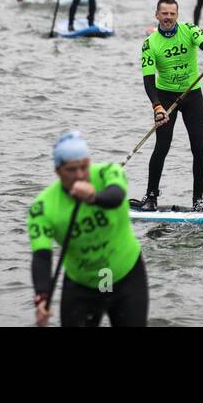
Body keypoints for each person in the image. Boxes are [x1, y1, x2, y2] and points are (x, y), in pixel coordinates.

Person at [28, 131, 148, 328]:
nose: (80, 175)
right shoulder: (42, 207)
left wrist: (94, 197)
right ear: (58, 171)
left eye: (84, 167)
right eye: (72, 170)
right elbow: (41, 255)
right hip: (82, 285)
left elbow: (116, 196)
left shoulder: (107, 173)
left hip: (126, 277)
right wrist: (42, 296)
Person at [139, 0, 203, 212]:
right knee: (162, 146)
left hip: (192, 95)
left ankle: (198, 201)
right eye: (164, 14)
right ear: (157, 15)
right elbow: (149, 81)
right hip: (165, 98)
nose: (168, 18)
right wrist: (157, 107)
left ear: (177, 15)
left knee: (199, 148)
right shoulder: (150, 44)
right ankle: (151, 197)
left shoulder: (189, 29)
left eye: (172, 14)